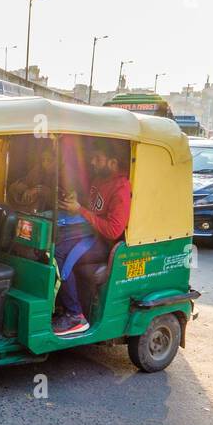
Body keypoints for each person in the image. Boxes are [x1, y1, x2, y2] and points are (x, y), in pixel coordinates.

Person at [51, 142, 131, 335]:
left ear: (112, 163)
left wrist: (80, 210)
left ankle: (75, 316)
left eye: (98, 158)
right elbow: (92, 207)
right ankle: (61, 306)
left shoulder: (121, 188)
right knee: (52, 243)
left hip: (104, 242)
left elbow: (113, 230)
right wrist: (75, 200)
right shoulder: (99, 179)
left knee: (60, 253)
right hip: (89, 233)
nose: (92, 162)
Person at [9, 148, 57, 213]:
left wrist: (38, 190)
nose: (45, 163)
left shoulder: (60, 175)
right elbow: (23, 182)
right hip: (29, 208)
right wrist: (26, 190)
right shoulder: (37, 170)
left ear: (56, 161)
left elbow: (57, 198)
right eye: (43, 160)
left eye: (49, 160)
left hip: (50, 212)